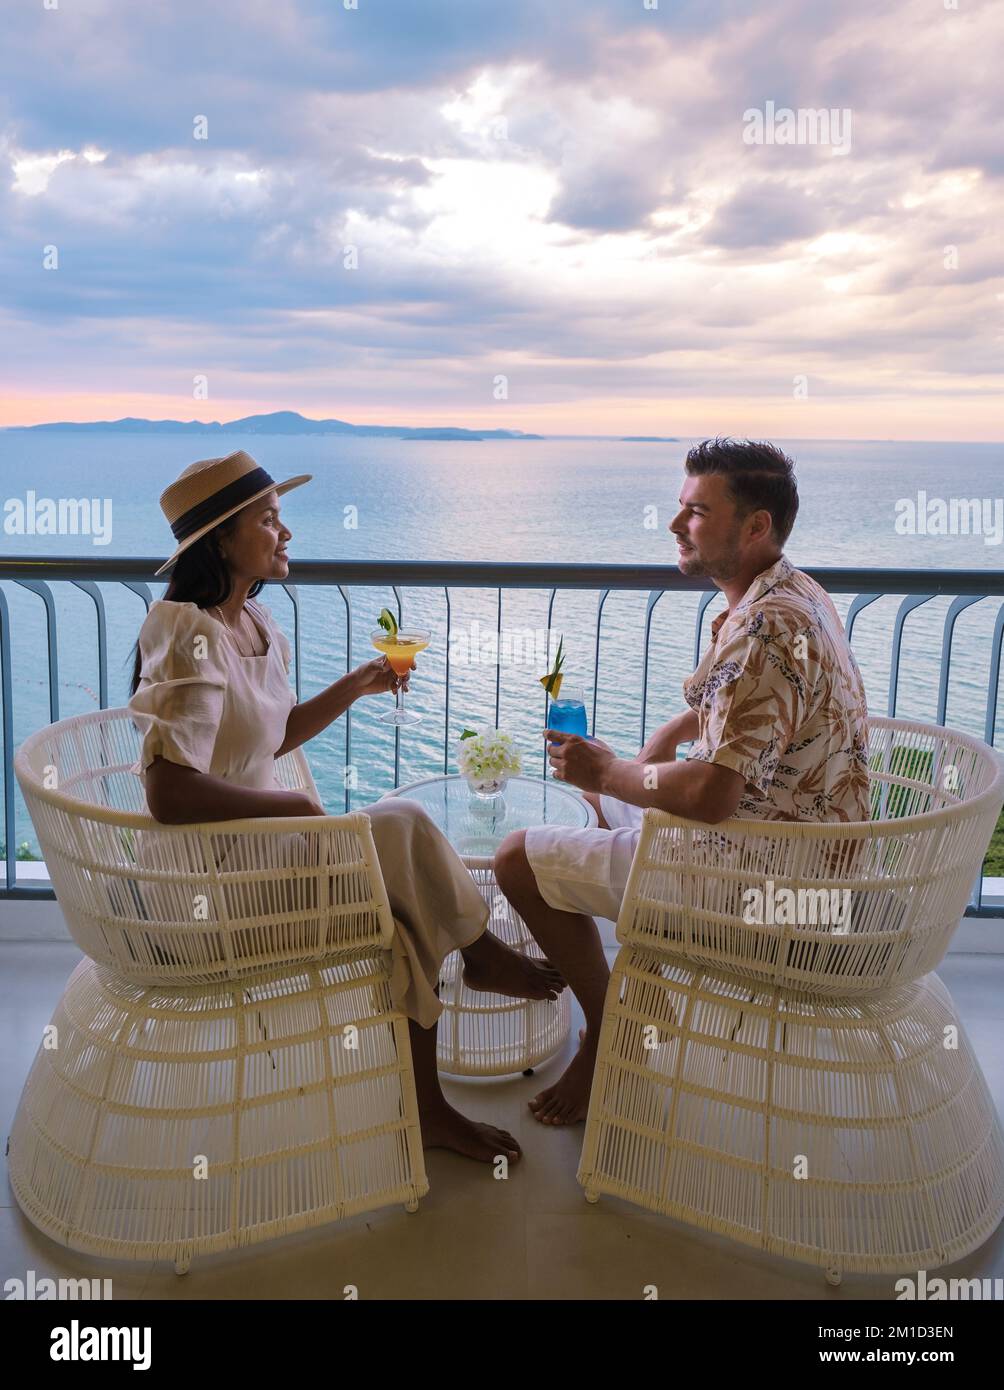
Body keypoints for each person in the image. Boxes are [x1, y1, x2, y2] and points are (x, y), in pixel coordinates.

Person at [127, 448, 565, 1164]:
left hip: (256, 857)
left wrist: (356, 686)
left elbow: (273, 736)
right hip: (204, 883)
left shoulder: (255, 625)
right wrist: (292, 808)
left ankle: (443, 1066)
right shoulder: (189, 633)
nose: (286, 533)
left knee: (396, 865)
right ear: (222, 541)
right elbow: (169, 792)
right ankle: (476, 966)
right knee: (395, 848)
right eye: (268, 520)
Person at [494, 438, 871, 1126]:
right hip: (807, 855)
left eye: (696, 512)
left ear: (755, 527)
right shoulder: (795, 592)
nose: (674, 526)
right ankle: (630, 1009)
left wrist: (613, 770)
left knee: (516, 857)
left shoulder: (764, 626)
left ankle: (613, 1030)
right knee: (593, 799)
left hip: (762, 887)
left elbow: (711, 796)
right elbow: (759, 710)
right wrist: (656, 748)